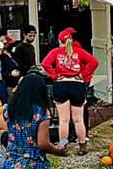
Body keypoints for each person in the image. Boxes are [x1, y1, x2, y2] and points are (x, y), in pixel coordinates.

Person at [41, 27, 98, 155]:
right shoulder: (79, 52)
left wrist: (54, 75)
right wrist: (83, 74)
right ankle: (82, 146)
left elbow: (45, 64)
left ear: (59, 41)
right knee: (78, 119)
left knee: (63, 120)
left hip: (61, 85)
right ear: (72, 41)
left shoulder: (55, 52)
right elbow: (94, 62)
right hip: (76, 84)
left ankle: (62, 147)